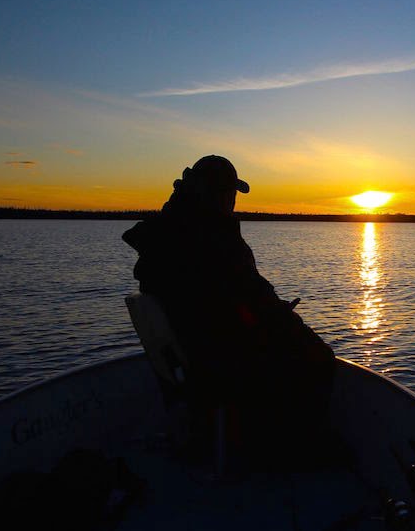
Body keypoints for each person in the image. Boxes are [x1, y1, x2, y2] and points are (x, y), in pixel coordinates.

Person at [122, 155, 334, 462]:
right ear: (215, 194)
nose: (232, 201)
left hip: (194, 350)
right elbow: (254, 298)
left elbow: (225, 301)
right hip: (217, 356)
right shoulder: (215, 239)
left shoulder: (163, 238)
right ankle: (294, 451)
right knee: (319, 359)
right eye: (229, 193)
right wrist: (286, 323)